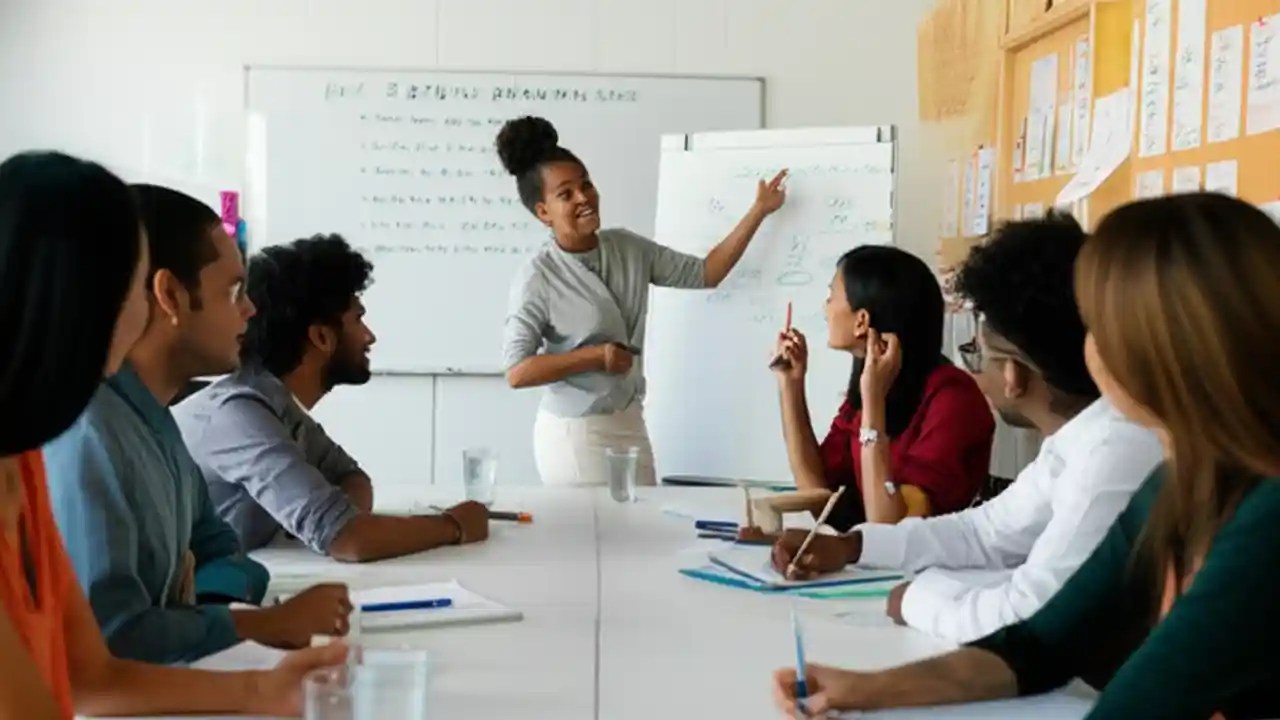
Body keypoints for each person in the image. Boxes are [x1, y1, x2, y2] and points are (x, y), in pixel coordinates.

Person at [771, 193, 1280, 719]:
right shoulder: (1174, 482)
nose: (1086, 347)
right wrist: (862, 690)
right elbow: (1039, 643)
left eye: (1098, 328)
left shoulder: (1260, 514)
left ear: (1157, 350)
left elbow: (1133, 702)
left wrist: (909, 596)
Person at [0, 151, 345, 719]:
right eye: (137, 288)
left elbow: (91, 676)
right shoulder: (77, 437)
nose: (145, 310)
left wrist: (269, 690)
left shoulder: (26, 459)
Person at [771, 214, 1163, 642]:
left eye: (978, 353)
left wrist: (915, 599)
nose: (975, 372)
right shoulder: (1074, 443)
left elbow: (1028, 613)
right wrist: (852, 547)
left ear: (1013, 374)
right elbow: (984, 531)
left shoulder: (1110, 450)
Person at [498, 116, 787, 486]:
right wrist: (595, 357)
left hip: (630, 420)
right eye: (565, 194)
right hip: (575, 433)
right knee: (600, 538)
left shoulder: (627, 248)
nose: (584, 197)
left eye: (586, 184)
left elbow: (707, 273)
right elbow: (518, 371)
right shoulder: (538, 276)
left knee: (645, 531)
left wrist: (759, 210)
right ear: (543, 212)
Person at [174, 234, 489, 562]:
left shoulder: (277, 405)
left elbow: (352, 479)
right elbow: (349, 540)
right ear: (321, 337)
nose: (370, 336)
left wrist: (334, 520)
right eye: (357, 319)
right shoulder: (239, 414)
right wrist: (453, 525)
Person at [772, 245, 994, 528]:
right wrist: (791, 386)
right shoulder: (870, 390)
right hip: (873, 563)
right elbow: (819, 498)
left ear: (861, 321)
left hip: (927, 568)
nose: (825, 309)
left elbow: (892, 528)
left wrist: (873, 403)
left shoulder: (953, 399)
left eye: (831, 297)